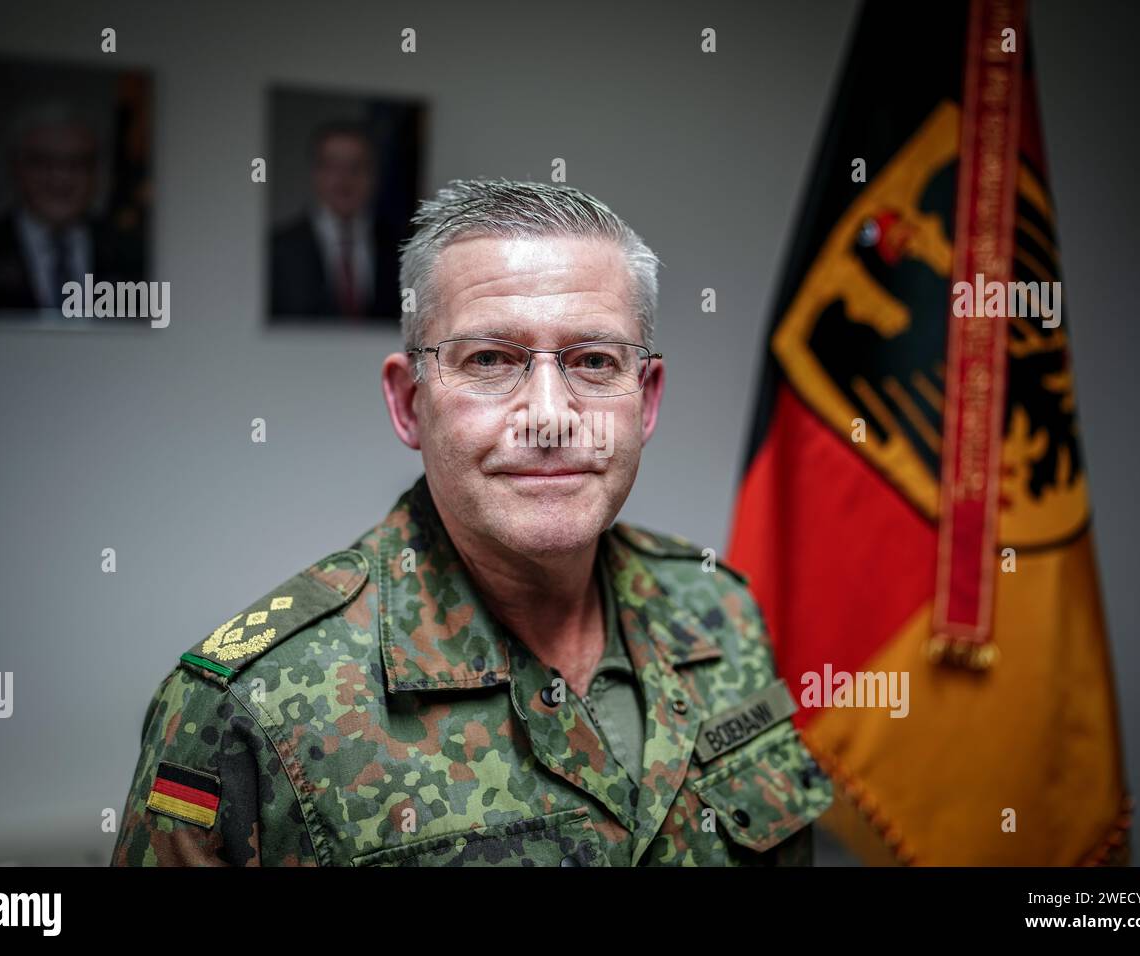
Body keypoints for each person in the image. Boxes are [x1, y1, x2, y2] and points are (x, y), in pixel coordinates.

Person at [112, 178, 830, 866]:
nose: (550, 418)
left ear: (644, 402)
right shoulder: (249, 709)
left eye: (593, 360)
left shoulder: (720, 612)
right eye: (489, 359)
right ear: (408, 403)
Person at [0, 103, 144, 313]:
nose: (60, 178)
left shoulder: (134, 254)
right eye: (42, 162)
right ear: (15, 167)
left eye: (77, 163)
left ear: (96, 173)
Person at [269, 122, 402, 319]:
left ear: (374, 175)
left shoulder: (400, 246)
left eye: (357, 166)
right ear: (316, 173)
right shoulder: (279, 248)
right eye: (333, 166)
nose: (344, 178)